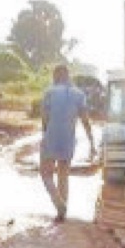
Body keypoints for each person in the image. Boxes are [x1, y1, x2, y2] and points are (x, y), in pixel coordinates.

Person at [39, 64, 95, 223]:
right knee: (63, 175)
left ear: (56, 76)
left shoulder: (49, 92)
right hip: (69, 139)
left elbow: (45, 118)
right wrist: (91, 142)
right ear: (68, 76)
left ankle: (59, 204)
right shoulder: (79, 94)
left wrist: (45, 135)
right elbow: (85, 120)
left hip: (52, 136)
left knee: (45, 174)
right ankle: (62, 213)